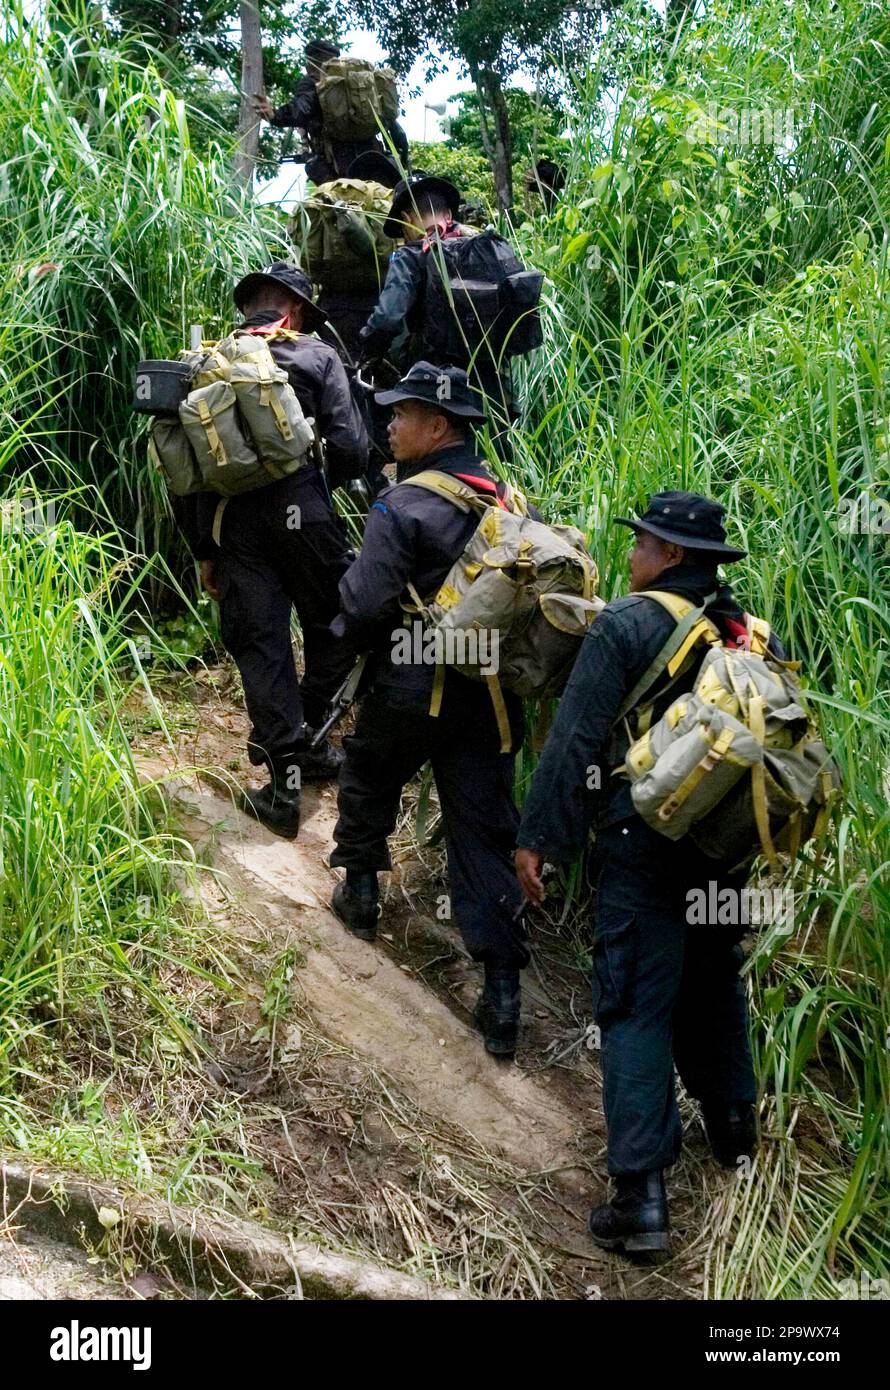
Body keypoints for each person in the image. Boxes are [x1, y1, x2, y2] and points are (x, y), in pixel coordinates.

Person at [515, 493, 778, 1260]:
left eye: (640, 545)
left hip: (643, 845)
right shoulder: (745, 631)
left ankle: (641, 1200)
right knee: (711, 978)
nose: (629, 556)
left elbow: (576, 740)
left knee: (632, 1003)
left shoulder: (626, 625)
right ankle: (735, 1136)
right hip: (723, 846)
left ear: (666, 554)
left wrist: (540, 840)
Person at [328, 362, 532, 1059]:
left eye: (400, 414)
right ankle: (502, 997)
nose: (388, 423)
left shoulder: (402, 505)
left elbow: (362, 602)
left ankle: (359, 897)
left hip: (411, 687)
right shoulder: (508, 502)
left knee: (369, 774)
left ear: (436, 427)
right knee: (482, 835)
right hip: (489, 699)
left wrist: (345, 643)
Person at [175, 263, 368, 840]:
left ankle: (284, 784)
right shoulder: (318, 355)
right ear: (298, 308)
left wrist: (204, 549)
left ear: (248, 308)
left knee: (261, 644)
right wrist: (310, 484)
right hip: (304, 512)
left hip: (236, 525)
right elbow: (354, 449)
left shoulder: (208, 363)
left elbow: (186, 475)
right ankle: (310, 733)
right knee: (335, 623)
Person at [357, 174, 515, 435]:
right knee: (494, 461)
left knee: (434, 458)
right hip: (494, 382)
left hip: (434, 382)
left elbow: (387, 318)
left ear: (406, 219)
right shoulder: (490, 247)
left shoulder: (410, 255)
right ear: (450, 212)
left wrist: (369, 351)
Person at [254, 38, 409, 187]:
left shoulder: (314, 83)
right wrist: (402, 158)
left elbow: (302, 109)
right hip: (375, 160)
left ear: (310, 62)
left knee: (345, 206)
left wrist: (275, 115)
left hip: (336, 166)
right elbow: (394, 126)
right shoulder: (363, 85)